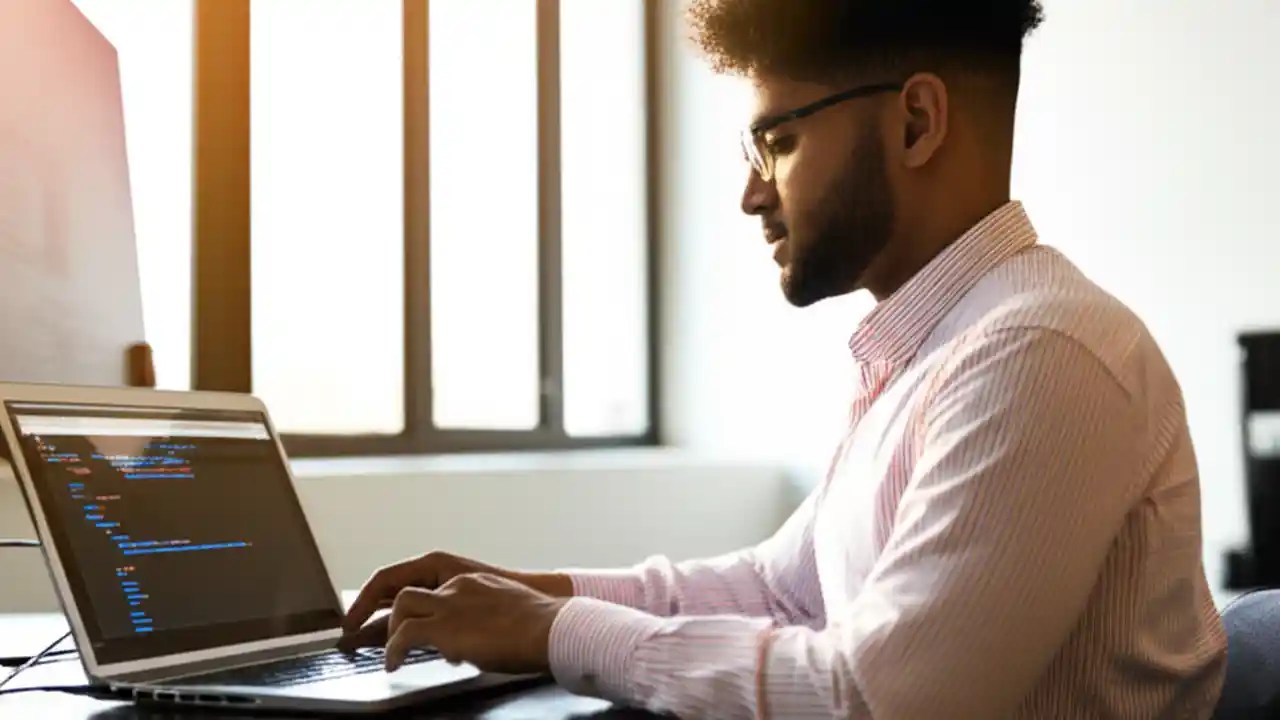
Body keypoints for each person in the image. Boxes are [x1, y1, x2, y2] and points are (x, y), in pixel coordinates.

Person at [340, 1, 1228, 717]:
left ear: (917, 121)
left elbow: (878, 699)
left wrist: (557, 631)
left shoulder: (1039, 356)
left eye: (781, 141)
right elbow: (780, 588)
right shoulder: (936, 348)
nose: (750, 192)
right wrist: (515, 595)